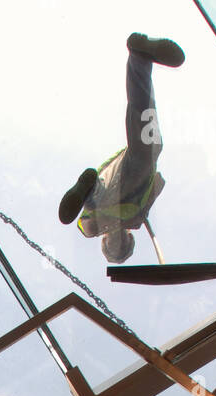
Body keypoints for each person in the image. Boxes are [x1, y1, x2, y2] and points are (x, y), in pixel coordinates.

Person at [58, 33, 185, 264]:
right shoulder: (135, 220)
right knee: (148, 136)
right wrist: (145, 209)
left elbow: (156, 184)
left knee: (100, 192)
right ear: (129, 237)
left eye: (113, 247)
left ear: (104, 241)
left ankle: (86, 189)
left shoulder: (92, 228)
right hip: (134, 175)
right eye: (123, 246)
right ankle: (140, 59)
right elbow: (157, 183)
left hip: (111, 189)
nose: (118, 244)